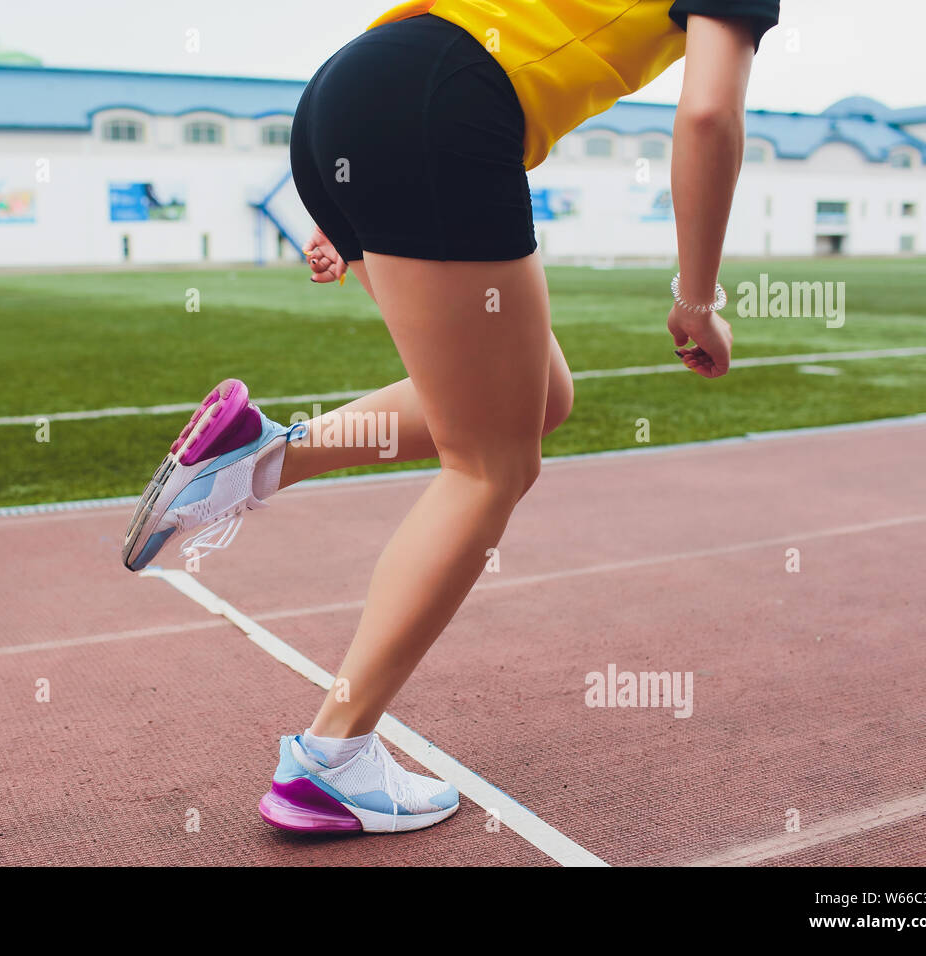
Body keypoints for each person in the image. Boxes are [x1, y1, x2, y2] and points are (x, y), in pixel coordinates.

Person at [124, 0, 780, 834]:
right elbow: (712, 110)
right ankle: (330, 761)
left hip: (351, 89)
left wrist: (354, 173)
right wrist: (697, 298)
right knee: (493, 467)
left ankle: (260, 457)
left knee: (535, 405)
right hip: (435, 101)